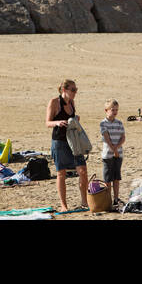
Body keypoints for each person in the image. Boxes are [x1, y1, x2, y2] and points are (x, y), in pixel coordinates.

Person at [46, 79, 89, 212]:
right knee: (61, 173)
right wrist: (57, 122)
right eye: (73, 90)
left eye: (76, 90)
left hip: (73, 141)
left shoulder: (72, 102)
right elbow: (47, 122)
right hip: (59, 142)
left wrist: (76, 120)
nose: (75, 92)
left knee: (83, 171)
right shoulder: (54, 102)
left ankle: (84, 202)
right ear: (64, 90)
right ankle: (63, 205)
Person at [100, 100, 126, 204]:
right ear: (106, 110)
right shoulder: (103, 123)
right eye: (112, 110)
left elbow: (123, 138)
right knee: (108, 179)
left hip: (118, 154)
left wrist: (117, 149)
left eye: (116, 110)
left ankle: (116, 198)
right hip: (108, 155)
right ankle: (108, 199)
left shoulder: (119, 123)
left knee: (116, 177)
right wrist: (113, 149)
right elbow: (106, 138)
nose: (115, 112)